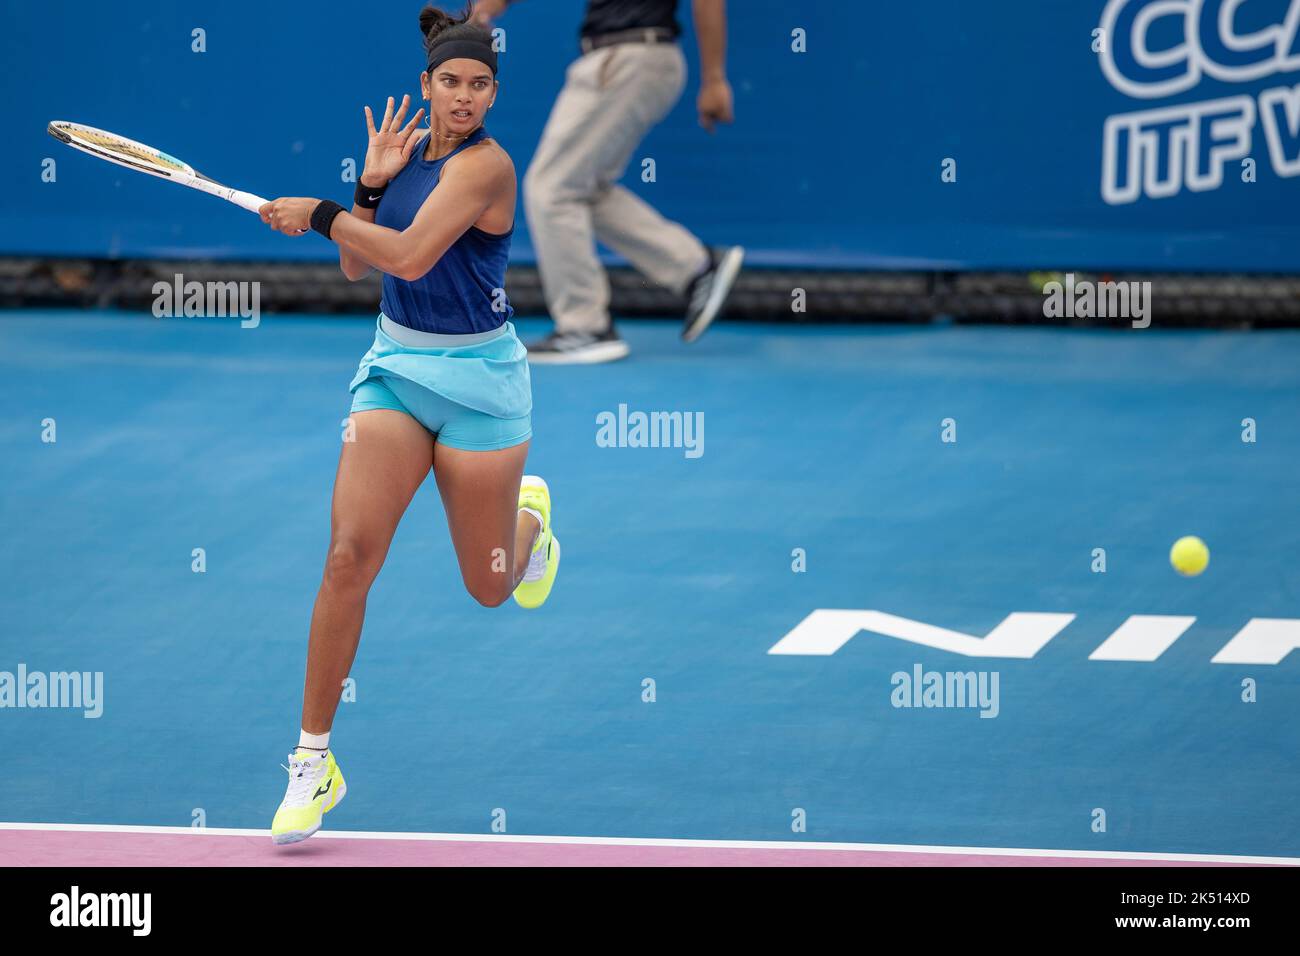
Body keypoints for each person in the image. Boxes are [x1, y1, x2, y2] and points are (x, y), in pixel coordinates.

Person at [256, 4, 560, 846]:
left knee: (490, 585)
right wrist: (366, 190)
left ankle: (530, 522)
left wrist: (319, 212)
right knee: (349, 555)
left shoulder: (488, 167)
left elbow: (412, 257)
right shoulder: (408, 155)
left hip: (480, 389)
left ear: (493, 94)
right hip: (394, 370)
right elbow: (361, 265)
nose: (465, 97)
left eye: (480, 85)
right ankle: (313, 762)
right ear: (425, 85)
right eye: (451, 82)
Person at [475, 0, 744, 363]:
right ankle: (695, 266)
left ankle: (585, 326)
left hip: (627, 58)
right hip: (625, 59)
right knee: (583, 190)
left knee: (552, 189)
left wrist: (714, 79)